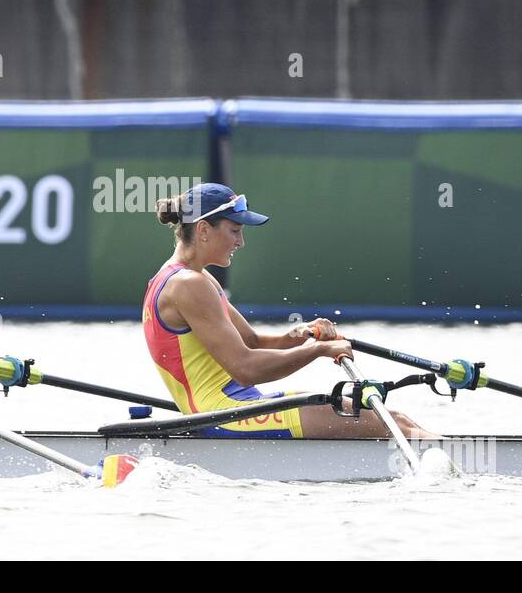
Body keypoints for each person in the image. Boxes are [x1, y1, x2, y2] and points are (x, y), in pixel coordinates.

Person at [142, 182, 437, 439]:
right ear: (204, 229)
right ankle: (471, 467)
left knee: (394, 420)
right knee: (389, 425)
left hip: (240, 408)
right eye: (234, 230)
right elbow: (245, 369)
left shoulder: (191, 278)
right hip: (226, 417)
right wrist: (319, 351)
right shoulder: (188, 285)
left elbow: (253, 343)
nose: (240, 242)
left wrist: (303, 334)